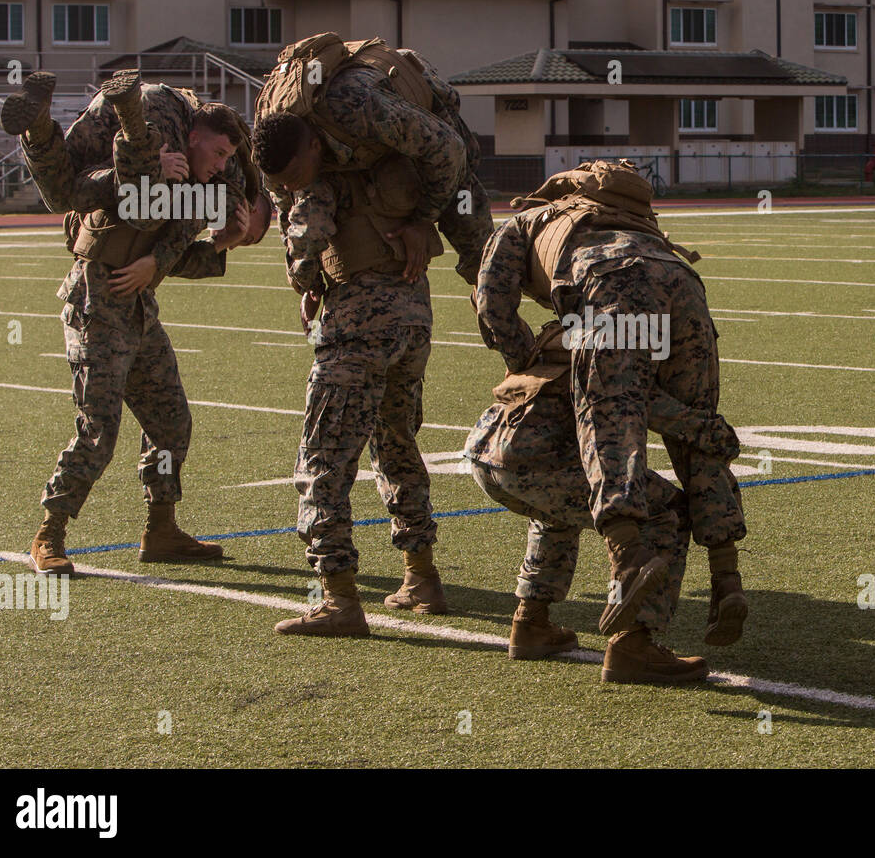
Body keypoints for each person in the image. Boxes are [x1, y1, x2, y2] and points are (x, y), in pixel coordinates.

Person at [253, 42, 493, 637]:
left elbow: (449, 152)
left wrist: (311, 279)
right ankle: (421, 577)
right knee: (395, 443)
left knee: (323, 462)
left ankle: (338, 598)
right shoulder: (326, 161)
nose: (292, 190)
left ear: (314, 144)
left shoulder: (356, 115)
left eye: (295, 178)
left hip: (357, 327)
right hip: (411, 315)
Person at [475, 160, 748, 649]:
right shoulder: (646, 235)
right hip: (684, 286)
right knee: (697, 432)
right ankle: (726, 577)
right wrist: (701, 427)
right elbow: (655, 407)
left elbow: (492, 305)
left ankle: (625, 582)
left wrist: (529, 361)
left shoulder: (531, 222)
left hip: (604, 287)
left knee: (605, 417)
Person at [1, 70, 265, 575]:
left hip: (138, 306)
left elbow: (181, 247)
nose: (221, 166)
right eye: (218, 155)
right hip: (98, 299)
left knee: (171, 421)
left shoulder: (201, 183)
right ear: (191, 137)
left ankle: (161, 528)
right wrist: (161, 247)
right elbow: (136, 217)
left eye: (229, 160)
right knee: (98, 430)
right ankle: (48, 534)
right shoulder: (171, 142)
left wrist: (208, 247)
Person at [465, 321, 742, 682]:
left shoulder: (579, 323)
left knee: (555, 512)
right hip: (539, 456)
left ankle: (531, 622)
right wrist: (710, 431)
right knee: (666, 512)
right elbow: (643, 402)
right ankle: (633, 643)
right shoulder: (627, 333)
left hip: (487, 452)